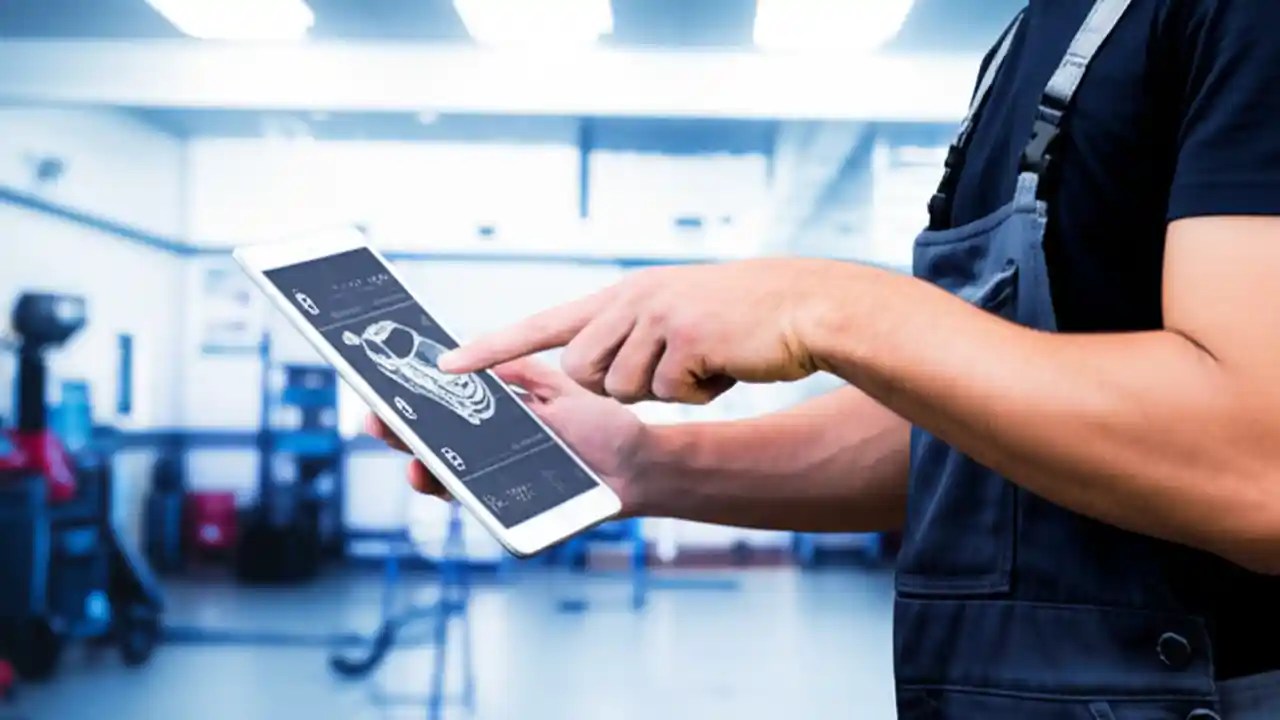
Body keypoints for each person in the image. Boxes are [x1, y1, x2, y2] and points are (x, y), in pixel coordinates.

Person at [369, 0, 1280, 716]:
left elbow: (1259, 468)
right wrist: (643, 462)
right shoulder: (1030, 43)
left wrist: (827, 304)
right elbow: (982, 436)